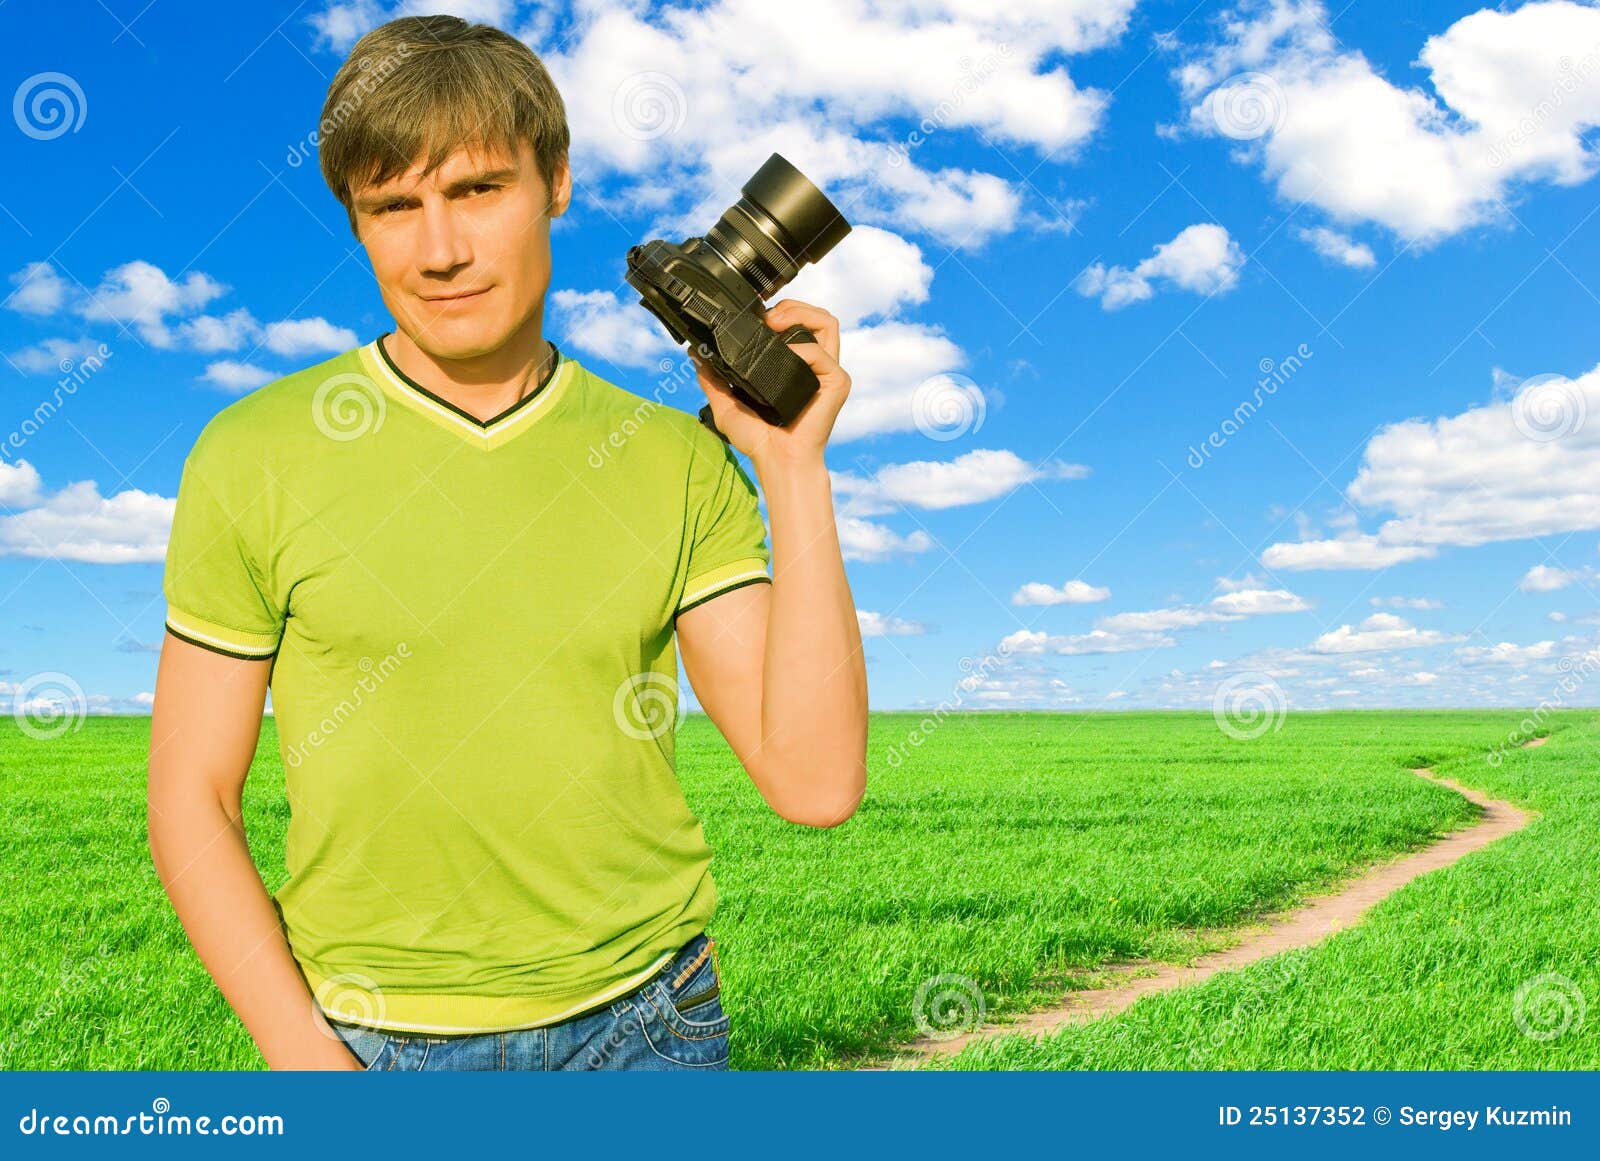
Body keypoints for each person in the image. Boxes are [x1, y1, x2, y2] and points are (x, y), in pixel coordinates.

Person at [146, 13, 867, 1072]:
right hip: (375, 1044)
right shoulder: (252, 454)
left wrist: (793, 470)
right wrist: (310, 1067)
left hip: (650, 1030)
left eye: (477, 190)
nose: (439, 250)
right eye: (395, 208)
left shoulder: (670, 461)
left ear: (557, 181)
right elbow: (189, 797)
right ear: (357, 223)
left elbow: (813, 784)